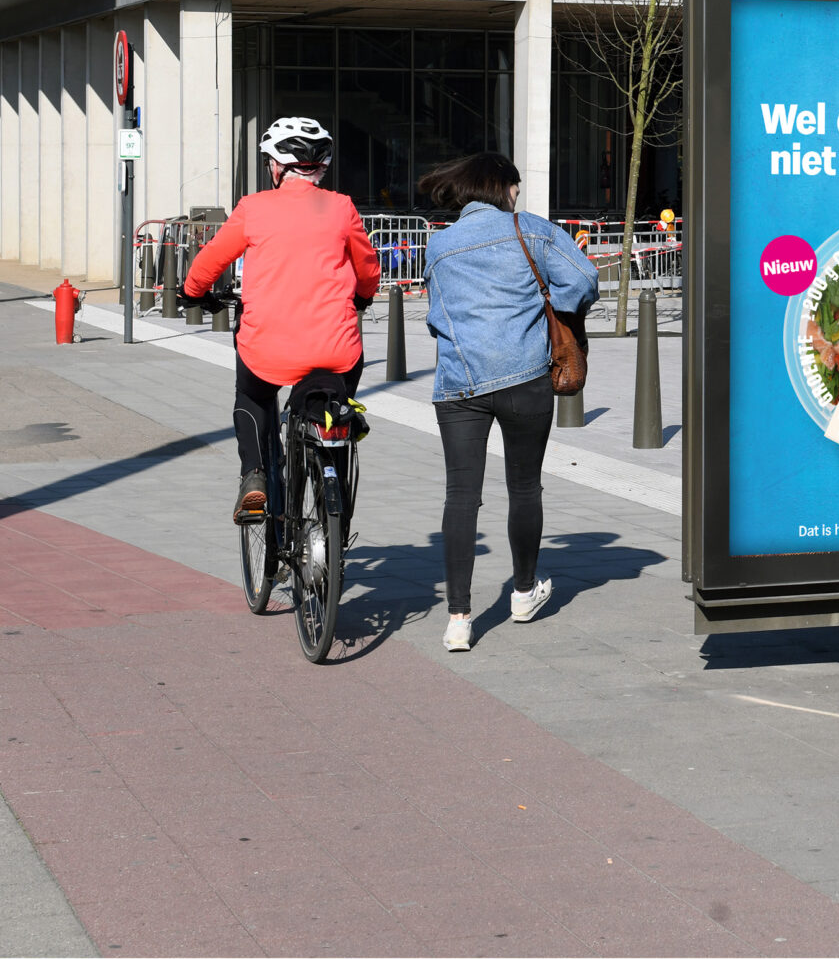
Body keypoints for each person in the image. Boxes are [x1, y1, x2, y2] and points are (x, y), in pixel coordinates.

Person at [419, 153, 598, 653]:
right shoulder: (532, 230)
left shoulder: (439, 244)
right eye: (515, 186)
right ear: (501, 187)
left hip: (459, 384)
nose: (518, 194)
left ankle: (458, 619)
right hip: (525, 378)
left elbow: (435, 315)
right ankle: (522, 593)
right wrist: (552, 307)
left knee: (461, 496)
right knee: (524, 487)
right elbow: (582, 281)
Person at [184, 118, 379, 525]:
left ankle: (254, 474)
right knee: (334, 406)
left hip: (267, 349)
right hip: (334, 349)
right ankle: (333, 496)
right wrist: (362, 296)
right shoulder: (341, 207)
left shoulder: (253, 208)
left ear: (276, 166)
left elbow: (210, 261)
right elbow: (367, 268)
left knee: (252, 395)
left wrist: (193, 292)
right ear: (321, 166)